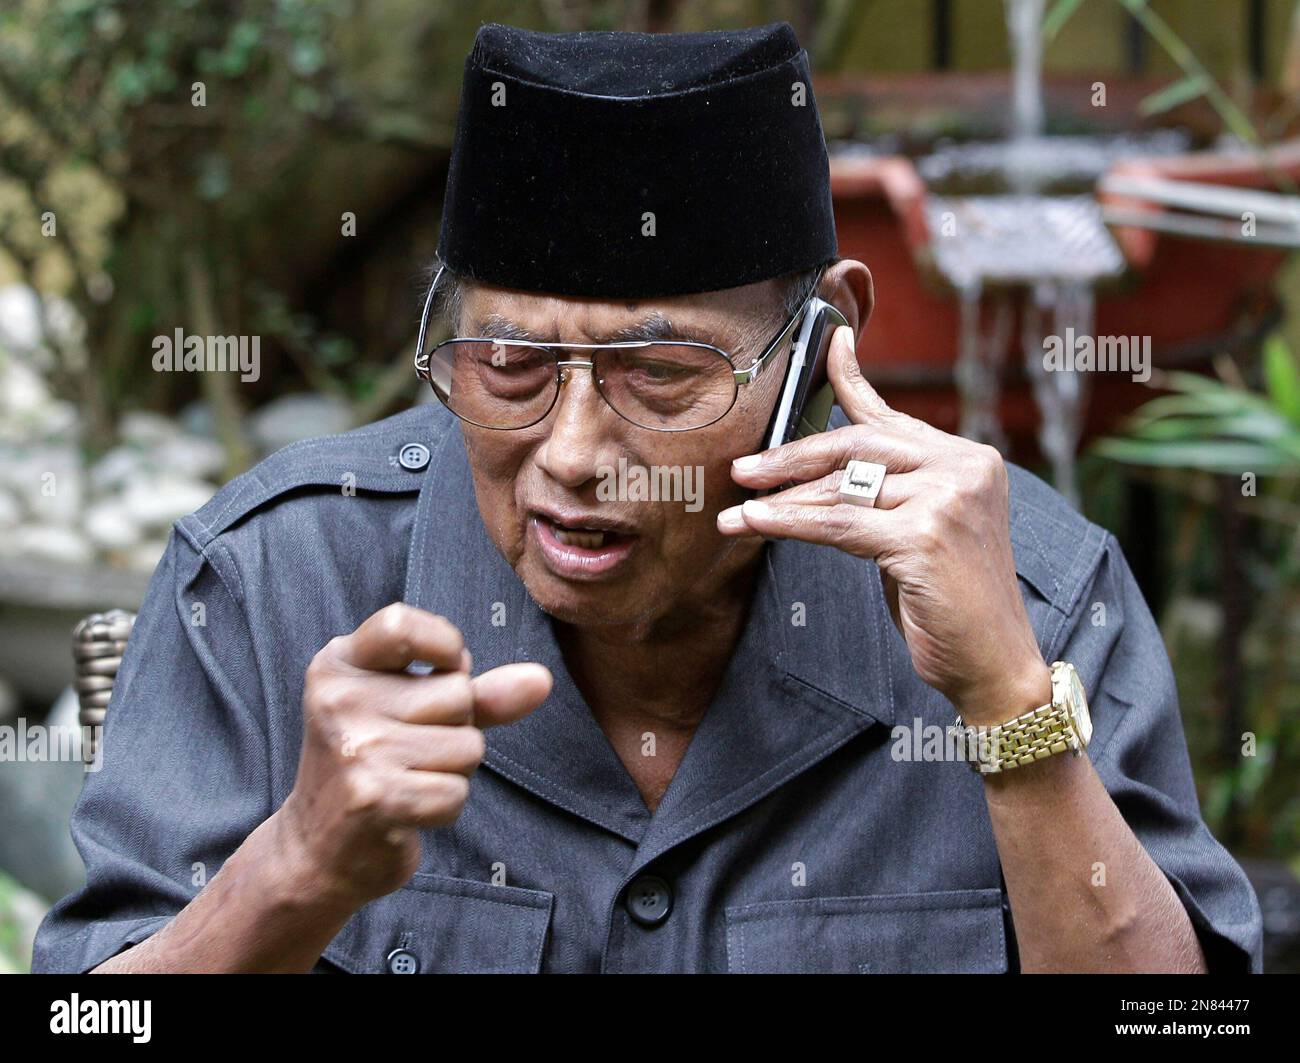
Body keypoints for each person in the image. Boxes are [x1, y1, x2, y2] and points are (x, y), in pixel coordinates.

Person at [33, 21, 1261, 974]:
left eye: (659, 376)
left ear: (825, 339)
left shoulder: (1032, 591)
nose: (570, 452)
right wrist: (291, 872)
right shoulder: (272, 580)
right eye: (510, 365)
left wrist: (1008, 714)